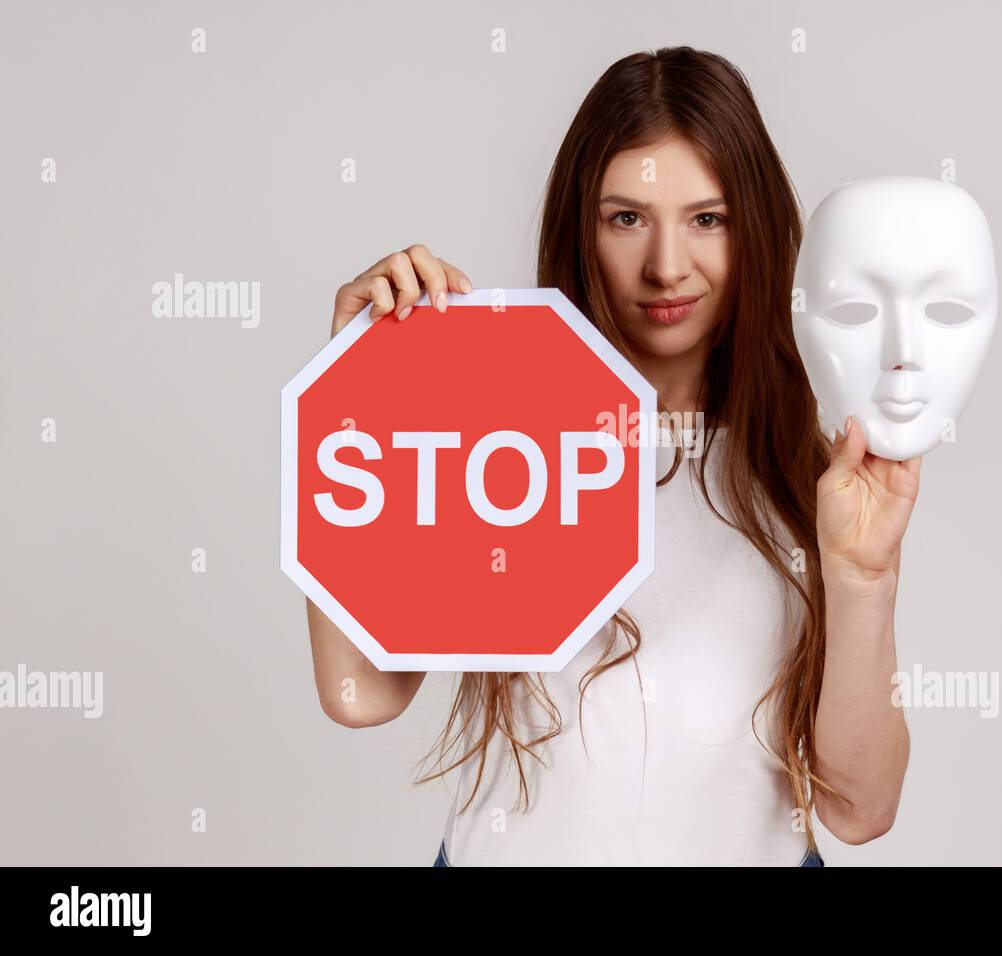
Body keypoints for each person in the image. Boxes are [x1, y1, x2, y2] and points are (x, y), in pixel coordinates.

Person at [306, 46, 921, 867]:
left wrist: (865, 578)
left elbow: (861, 808)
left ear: (757, 228)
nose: (668, 265)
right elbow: (363, 695)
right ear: (581, 229)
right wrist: (351, 404)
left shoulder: (814, 475)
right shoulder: (499, 438)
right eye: (626, 217)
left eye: (709, 218)